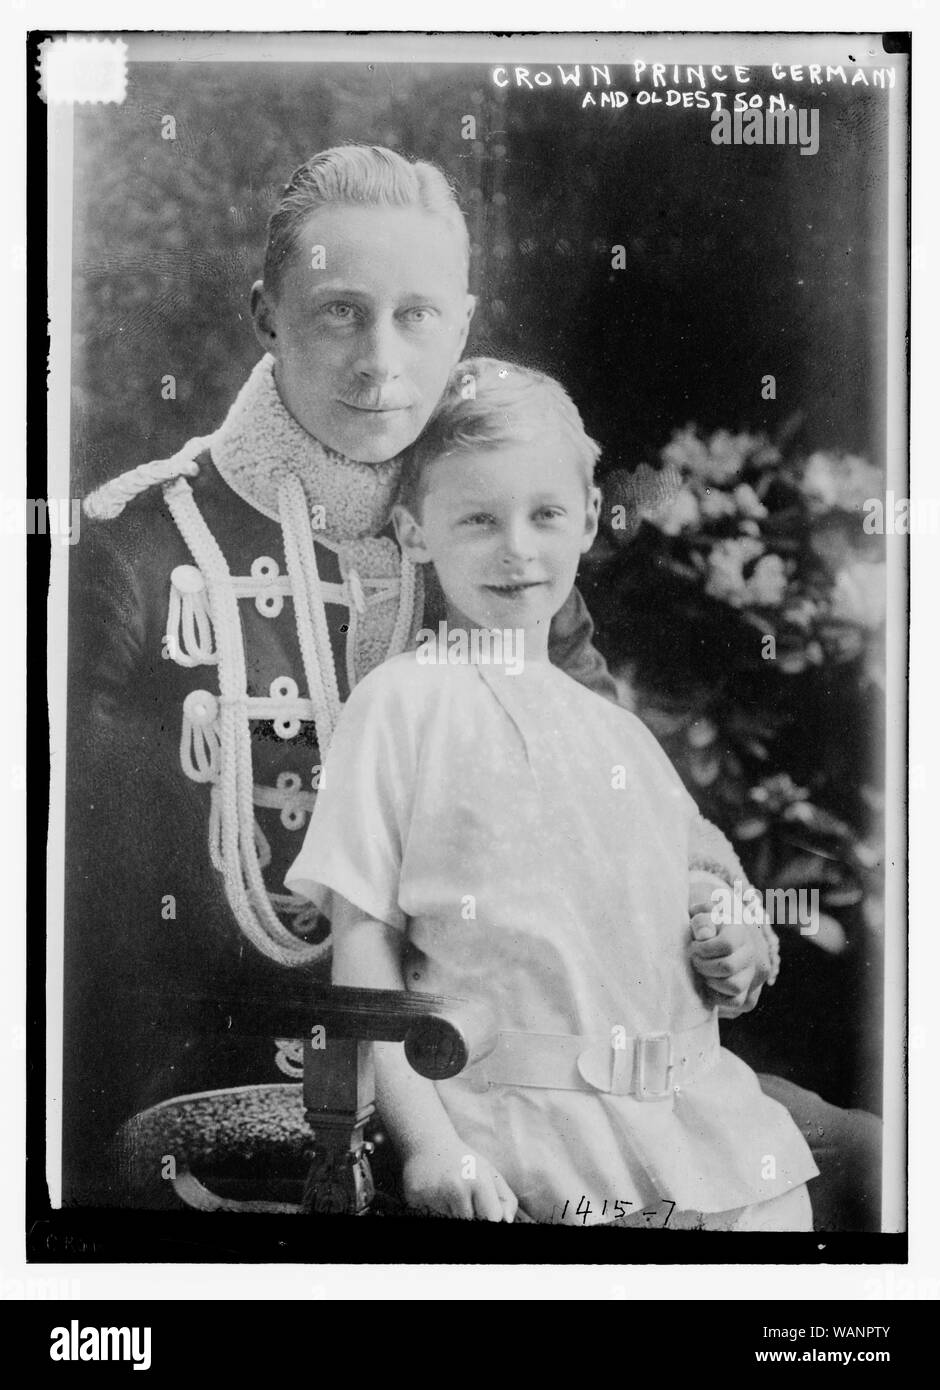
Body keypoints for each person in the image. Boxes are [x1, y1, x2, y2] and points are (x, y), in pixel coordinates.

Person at [68, 144, 877, 1227]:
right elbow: (74, 920)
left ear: (463, 322)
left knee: (878, 1165)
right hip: (230, 1067)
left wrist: (715, 904)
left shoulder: (488, 536)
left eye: (417, 316)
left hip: (506, 1059)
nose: (379, 364)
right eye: (338, 312)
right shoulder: (130, 551)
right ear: (266, 315)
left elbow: (617, 807)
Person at [284, 357, 819, 1228]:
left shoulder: (619, 733)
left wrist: (737, 939)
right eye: (478, 520)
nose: (518, 549)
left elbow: (688, 884)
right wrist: (429, 1145)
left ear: (587, 526)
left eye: (544, 516)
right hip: (526, 1137)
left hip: (703, 1127)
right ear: (417, 533)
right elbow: (365, 946)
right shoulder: (403, 707)